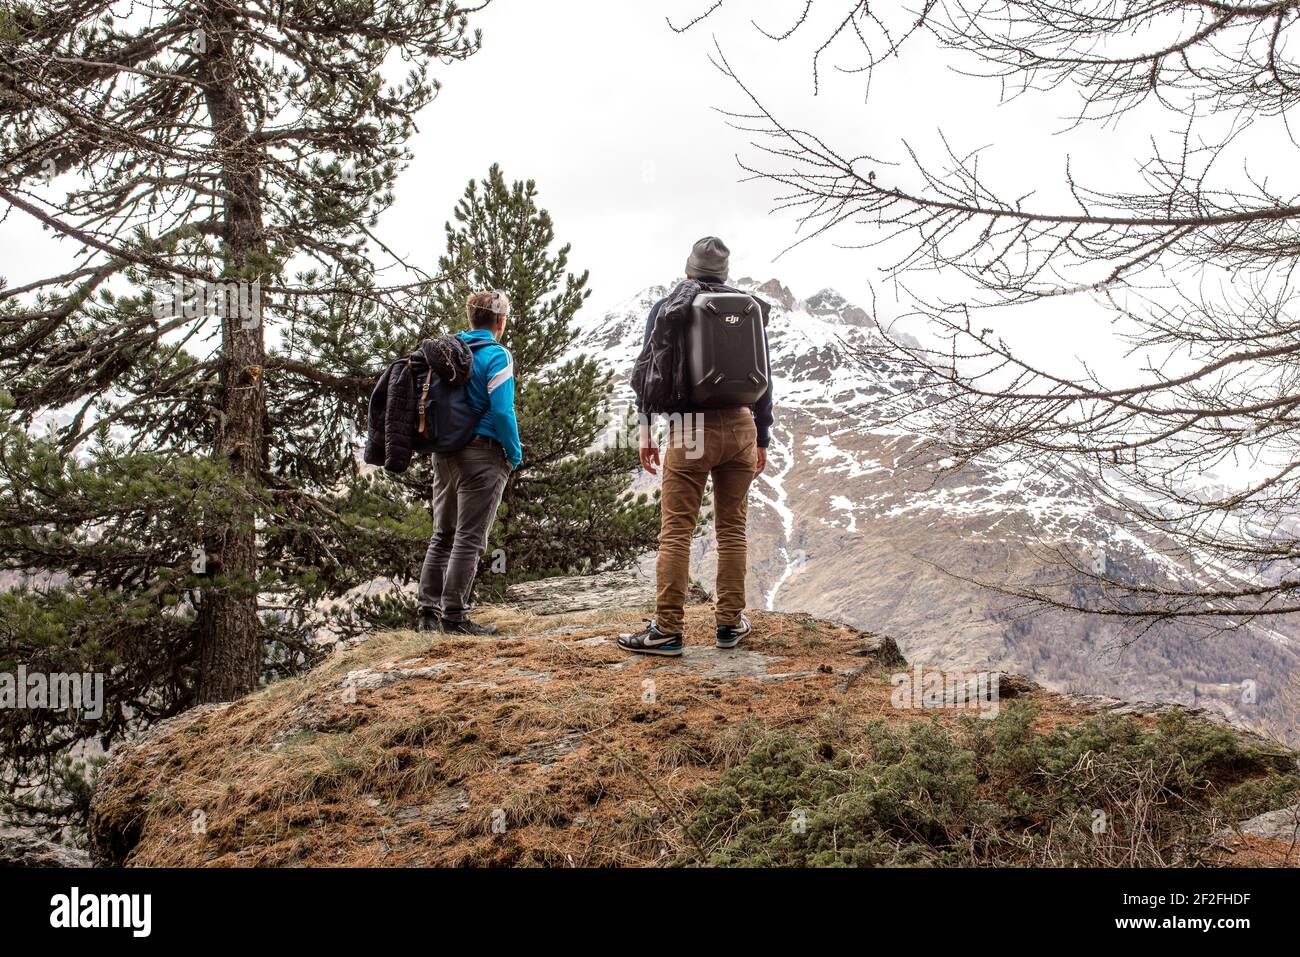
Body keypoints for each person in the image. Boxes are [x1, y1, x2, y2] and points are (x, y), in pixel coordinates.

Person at [619, 237, 773, 657]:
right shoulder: (748, 309)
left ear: (689, 271)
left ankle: (667, 630)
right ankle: (729, 624)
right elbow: (764, 378)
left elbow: (650, 370)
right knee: (732, 530)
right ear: (723, 274)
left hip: (689, 427)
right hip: (741, 422)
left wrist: (647, 429)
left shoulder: (671, 307)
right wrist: (761, 436)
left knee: (677, 532)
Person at [417, 290, 522, 635]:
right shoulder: (496, 355)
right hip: (482, 454)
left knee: (442, 535)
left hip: (443, 454)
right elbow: (503, 411)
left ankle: (427, 615)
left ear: (471, 318)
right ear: (500, 321)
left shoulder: (450, 352)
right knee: (470, 539)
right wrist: (513, 454)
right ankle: (456, 617)